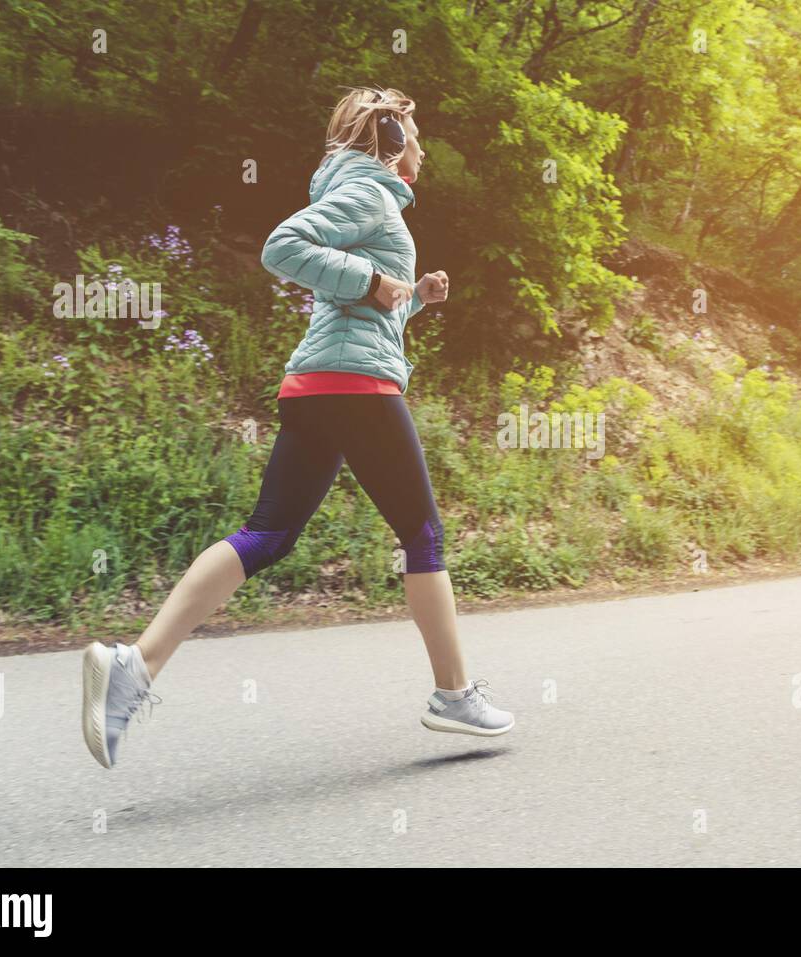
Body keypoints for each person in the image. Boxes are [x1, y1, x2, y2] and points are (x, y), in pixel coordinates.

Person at [81, 86, 514, 770]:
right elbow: (284, 246)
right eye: (415, 135)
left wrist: (410, 300)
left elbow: (359, 313)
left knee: (268, 535)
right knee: (422, 534)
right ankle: (454, 694)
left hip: (318, 385)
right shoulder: (370, 191)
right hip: (354, 388)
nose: (423, 147)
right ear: (394, 141)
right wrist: (375, 279)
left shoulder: (362, 193)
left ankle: (133, 666)